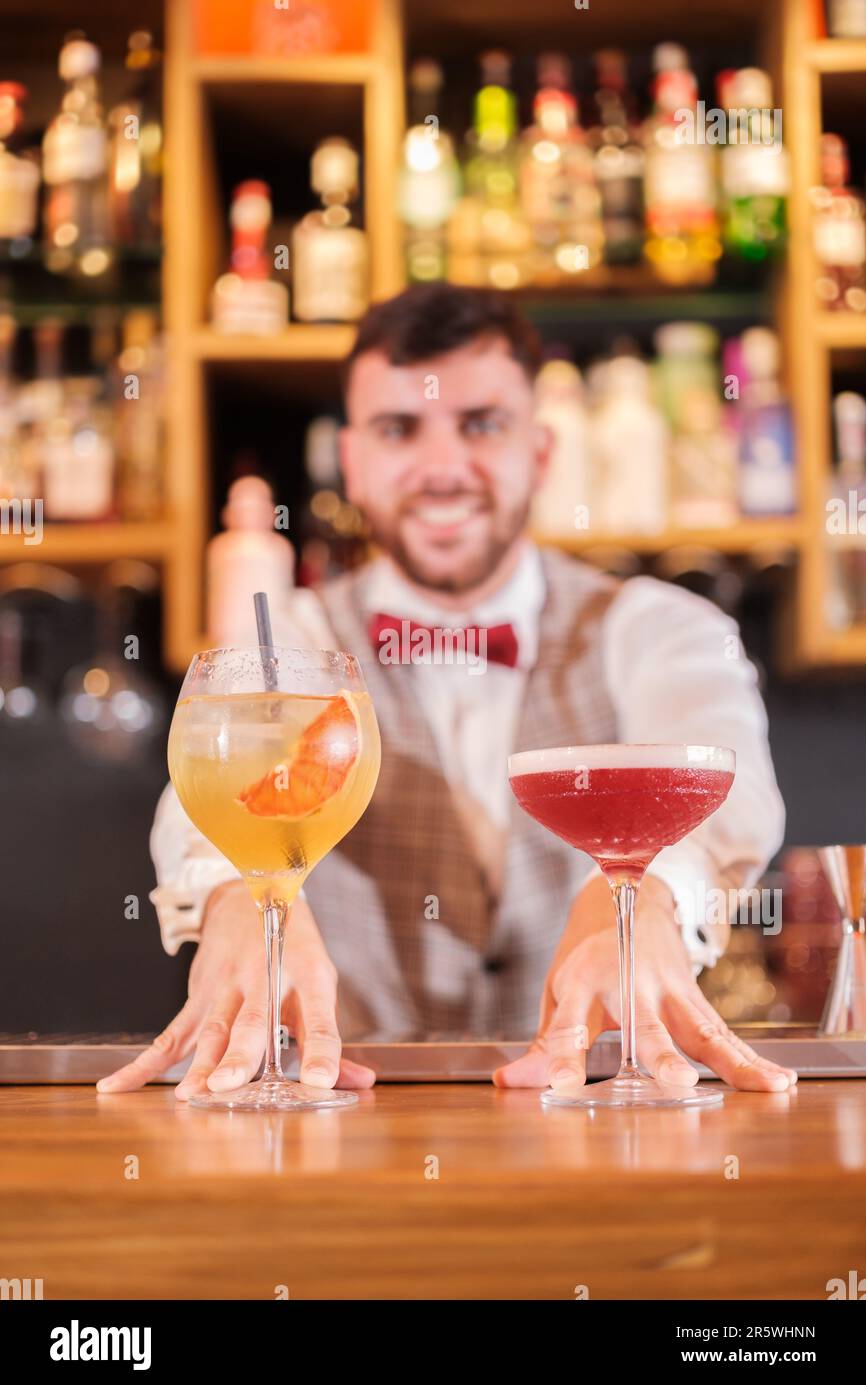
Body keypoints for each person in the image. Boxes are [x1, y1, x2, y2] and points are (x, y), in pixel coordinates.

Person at [99, 284, 796, 1099]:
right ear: (353, 461)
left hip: (599, 1109)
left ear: (541, 451)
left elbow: (730, 785)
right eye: (399, 429)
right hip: (347, 1109)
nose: (441, 469)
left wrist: (646, 900)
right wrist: (232, 898)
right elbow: (205, 795)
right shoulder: (291, 638)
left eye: (482, 424)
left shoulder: (659, 628)